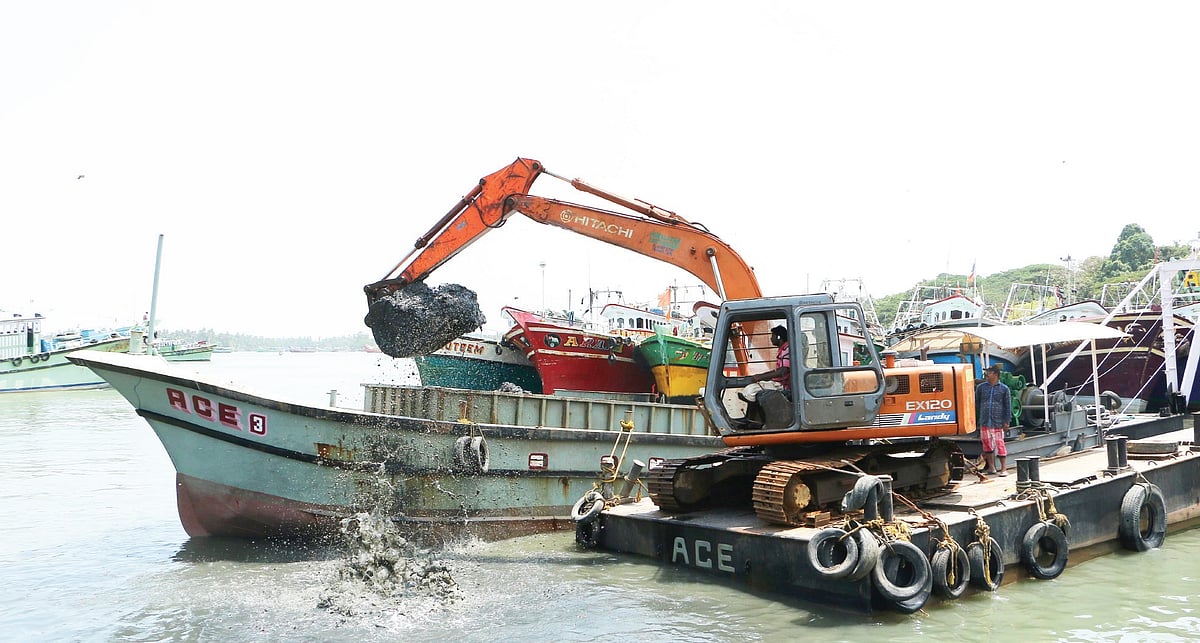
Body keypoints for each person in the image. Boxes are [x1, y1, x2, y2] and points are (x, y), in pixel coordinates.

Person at [975, 364, 1011, 476]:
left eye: (989, 372)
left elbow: (1007, 406)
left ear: (996, 374)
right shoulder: (981, 388)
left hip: (998, 422)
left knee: (1000, 444)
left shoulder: (1004, 389)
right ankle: (991, 467)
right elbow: (977, 403)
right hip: (985, 421)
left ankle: (1003, 468)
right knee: (987, 444)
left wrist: (1006, 421)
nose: (987, 375)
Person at [744, 325, 790, 400]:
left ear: (779, 337)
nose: (771, 338)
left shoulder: (786, 350)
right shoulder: (783, 349)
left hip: (781, 385)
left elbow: (782, 371)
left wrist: (761, 377)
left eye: (773, 336)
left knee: (750, 391)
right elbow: (777, 371)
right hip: (777, 382)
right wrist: (761, 376)